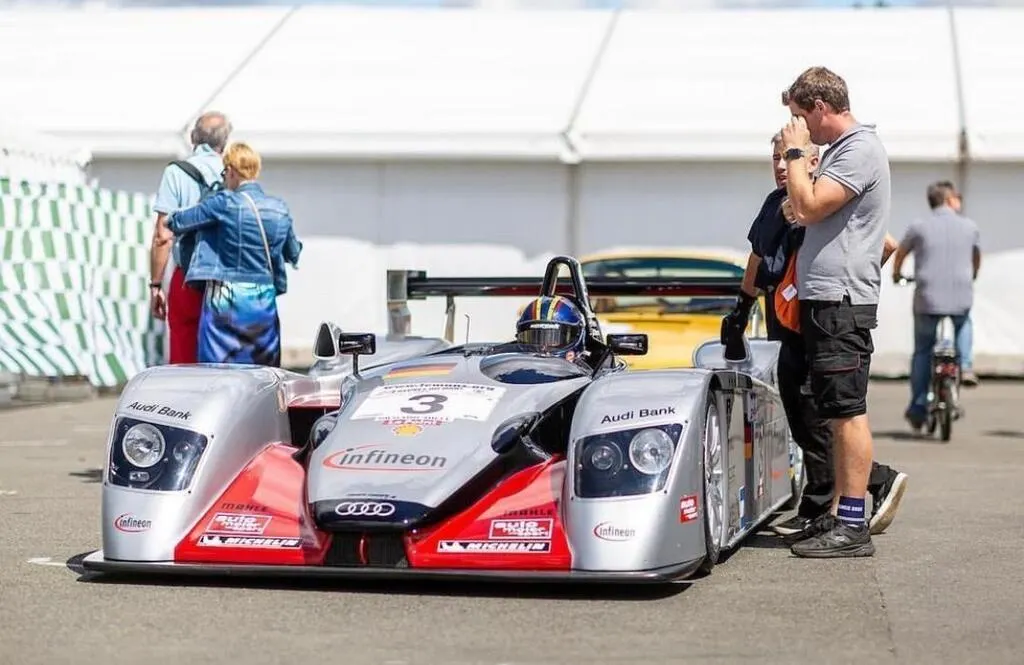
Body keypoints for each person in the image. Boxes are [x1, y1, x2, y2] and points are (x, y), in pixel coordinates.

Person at [722, 131, 909, 545]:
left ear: (813, 162)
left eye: (786, 157)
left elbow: (888, 244)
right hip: (781, 316)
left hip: (817, 316)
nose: (779, 165)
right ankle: (839, 492)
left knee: (819, 413)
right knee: (797, 408)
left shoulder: (820, 198)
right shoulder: (775, 204)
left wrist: (846, 283)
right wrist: (740, 310)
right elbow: (757, 257)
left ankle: (847, 491)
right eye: (773, 158)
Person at [775, 66, 891, 558]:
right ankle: (837, 515)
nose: (801, 127)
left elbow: (808, 207)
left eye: (802, 117)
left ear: (822, 108)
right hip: (829, 300)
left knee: (846, 414)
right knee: (833, 411)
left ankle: (853, 524)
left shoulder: (860, 148)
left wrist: (797, 153)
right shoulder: (848, 151)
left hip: (841, 301)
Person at [166, 142, 302, 366]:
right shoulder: (279, 207)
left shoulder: (223, 203)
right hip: (263, 300)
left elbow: (178, 221)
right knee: (262, 370)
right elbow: (293, 252)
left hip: (225, 298)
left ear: (230, 170)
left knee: (218, 371)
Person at [891, 180, 981, 430]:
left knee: (922, 350)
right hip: (961, 294)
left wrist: (896, 274)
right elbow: (976, 257)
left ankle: (919, 405)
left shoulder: (919, 226)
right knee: (963, 323)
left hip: (927, 296)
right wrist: (972, 275)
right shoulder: (970, 226)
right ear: (951, 200)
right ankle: (966, 366)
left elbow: (900, 252)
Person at [149, 111, 233, 364]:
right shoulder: (233, 173)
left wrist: (156, 285)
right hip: (227, 279)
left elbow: (163, 235)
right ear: (225, 142)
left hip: (187, 277)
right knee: (224, 360)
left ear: (193, 137)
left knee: (184, 360)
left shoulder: (176, 172)